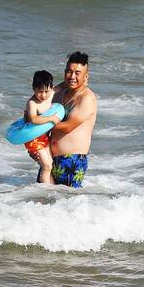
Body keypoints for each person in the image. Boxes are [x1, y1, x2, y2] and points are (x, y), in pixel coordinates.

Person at [48, 52, 97, 188]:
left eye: (77, 73)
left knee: (68, 203)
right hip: (51, 160)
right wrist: (63, 85)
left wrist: (39, 123)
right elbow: (42, 97)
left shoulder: (86, 98)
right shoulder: (60, 94)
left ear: (86, 76)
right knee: (44, 200)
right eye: (69, 72)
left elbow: (68, 126)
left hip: (72, 160)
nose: (72, 76)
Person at [21, 70, 59, 184]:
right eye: (39, 91)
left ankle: (48, 186)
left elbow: (62, 86)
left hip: (45, 137)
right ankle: (44, 190)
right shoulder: (32, 103)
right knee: (46, 166)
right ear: (34, 88)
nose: (43, 95)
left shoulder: (50, 94)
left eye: (46, 91)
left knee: (50, 164)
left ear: (51, 88)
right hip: (34, 139)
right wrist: (52, 119)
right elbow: (33, 119)